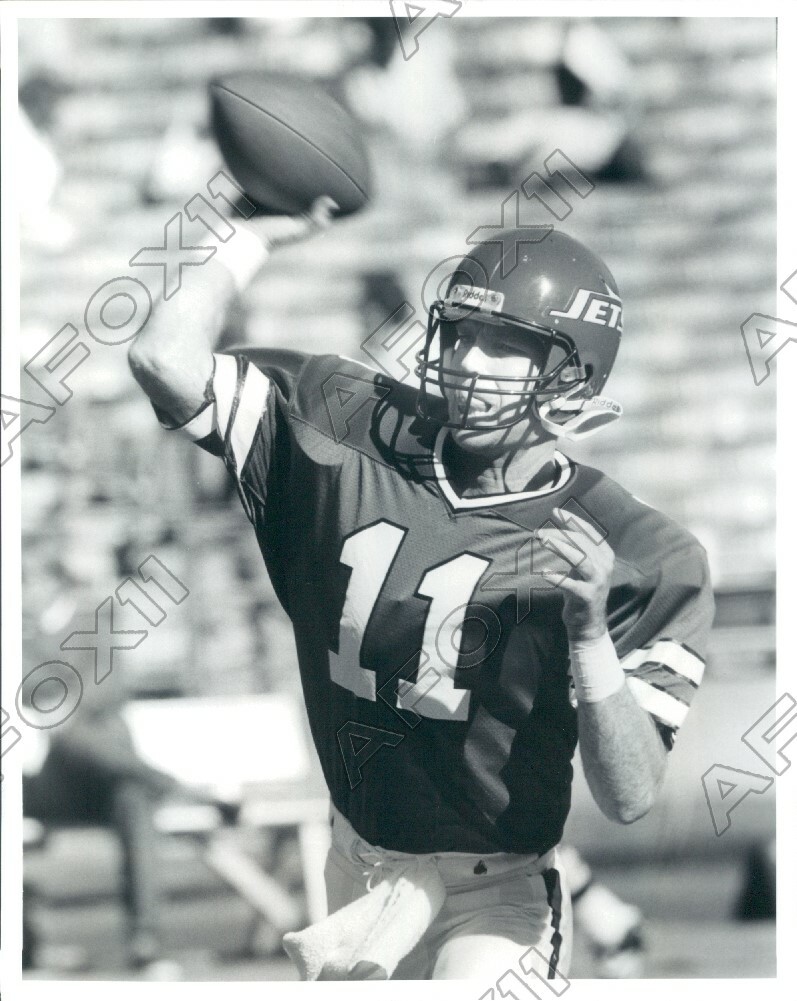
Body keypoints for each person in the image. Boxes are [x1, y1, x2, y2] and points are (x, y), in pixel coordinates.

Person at [127, 202, 714, 981]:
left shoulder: (639, 550)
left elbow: (631, 794)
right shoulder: (342, 422)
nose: (469, 361)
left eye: (505, 344)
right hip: (359, 868)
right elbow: (164, 359)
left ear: (573, 373)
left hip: (498, 891)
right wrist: (250, 231)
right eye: (462, 333)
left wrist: (588, 638)